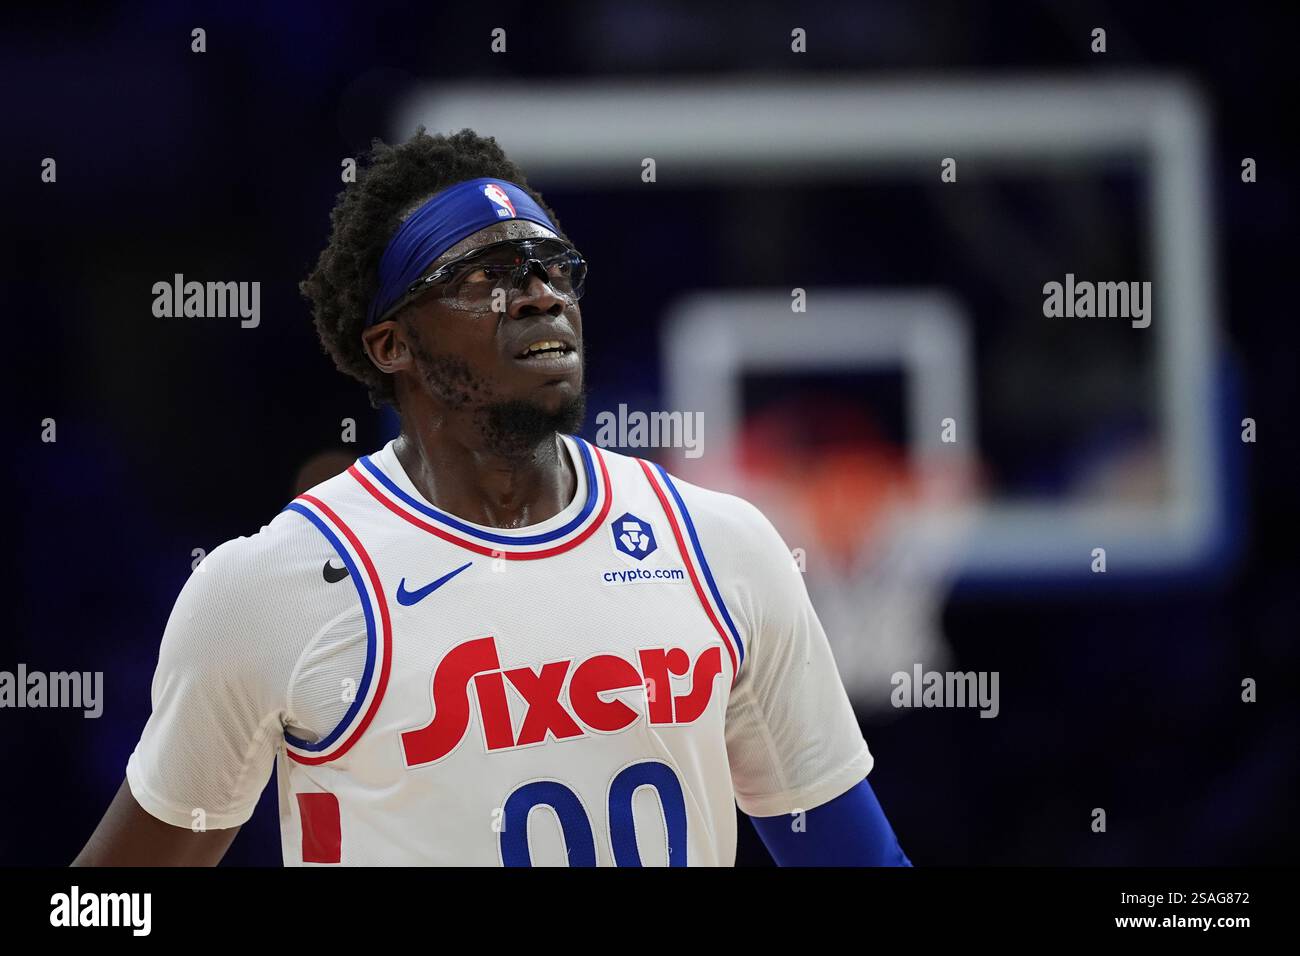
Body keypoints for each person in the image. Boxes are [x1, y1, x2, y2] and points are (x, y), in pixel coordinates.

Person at [74, 128, 910, 866]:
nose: (541, 292)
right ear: (392, 343)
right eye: (483, 276)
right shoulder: (275, 588)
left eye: (554, 267)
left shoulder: (720, 546)